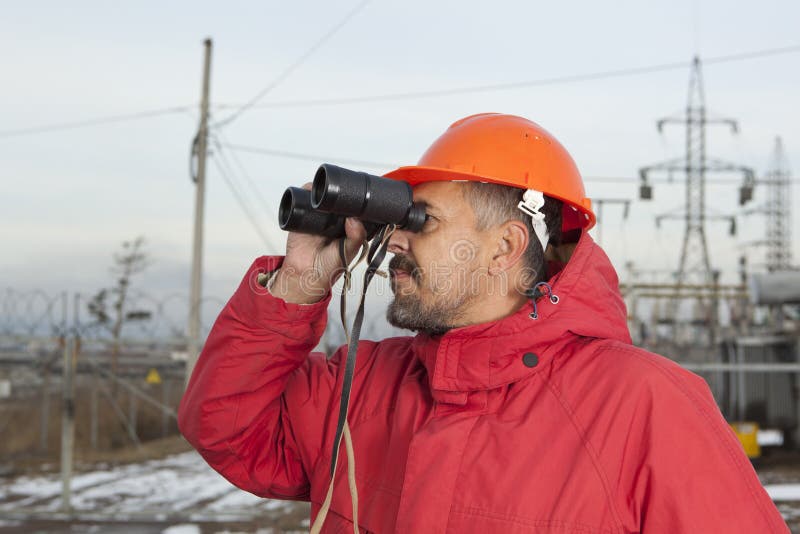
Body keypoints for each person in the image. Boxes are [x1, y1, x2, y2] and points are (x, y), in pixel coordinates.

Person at [179, 113, 787, 533]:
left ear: (504, 247)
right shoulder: (363, 386)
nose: (395, 242)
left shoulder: (644, 405)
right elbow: (229, 429)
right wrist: (299, 283)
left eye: (424, 221)